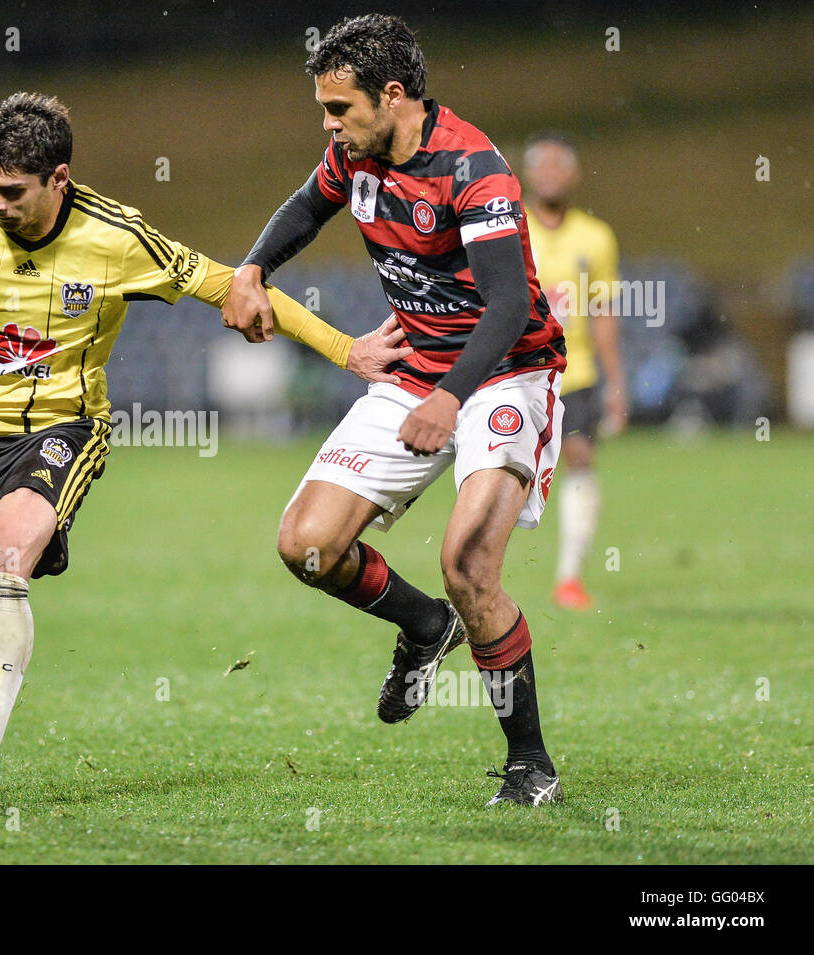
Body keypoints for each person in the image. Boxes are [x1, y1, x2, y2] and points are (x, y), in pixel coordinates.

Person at [0, 91, 408, 817]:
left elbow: (227, 282)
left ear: (59, 180)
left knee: (3, 555)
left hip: (59, 431)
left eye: (11, 191)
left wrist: (345, 349)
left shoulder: (116, 237)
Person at [222, 15, 567, 806]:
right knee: (306, 546)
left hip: (505, 374)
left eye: (339, 109)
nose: (329, 126)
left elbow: (510, 306)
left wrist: (450, 399)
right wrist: (251, 268)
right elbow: (305, 209)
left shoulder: (474, 169)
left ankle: (530, 763)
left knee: (469, 563)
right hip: (417, 374)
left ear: (393, 95)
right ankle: (423, 626)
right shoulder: (355, 155)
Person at [522, 132, 626, 610]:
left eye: (558, 165)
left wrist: (616, 384)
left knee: (581, 457)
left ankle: (568, 577)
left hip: (575, 369)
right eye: (540, 165)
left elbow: (603, 313)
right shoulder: (509, 224)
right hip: (517, 369)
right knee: (504, 468)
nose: (549, 174)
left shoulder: (596, 237)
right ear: (528, 174)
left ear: (574, 175)